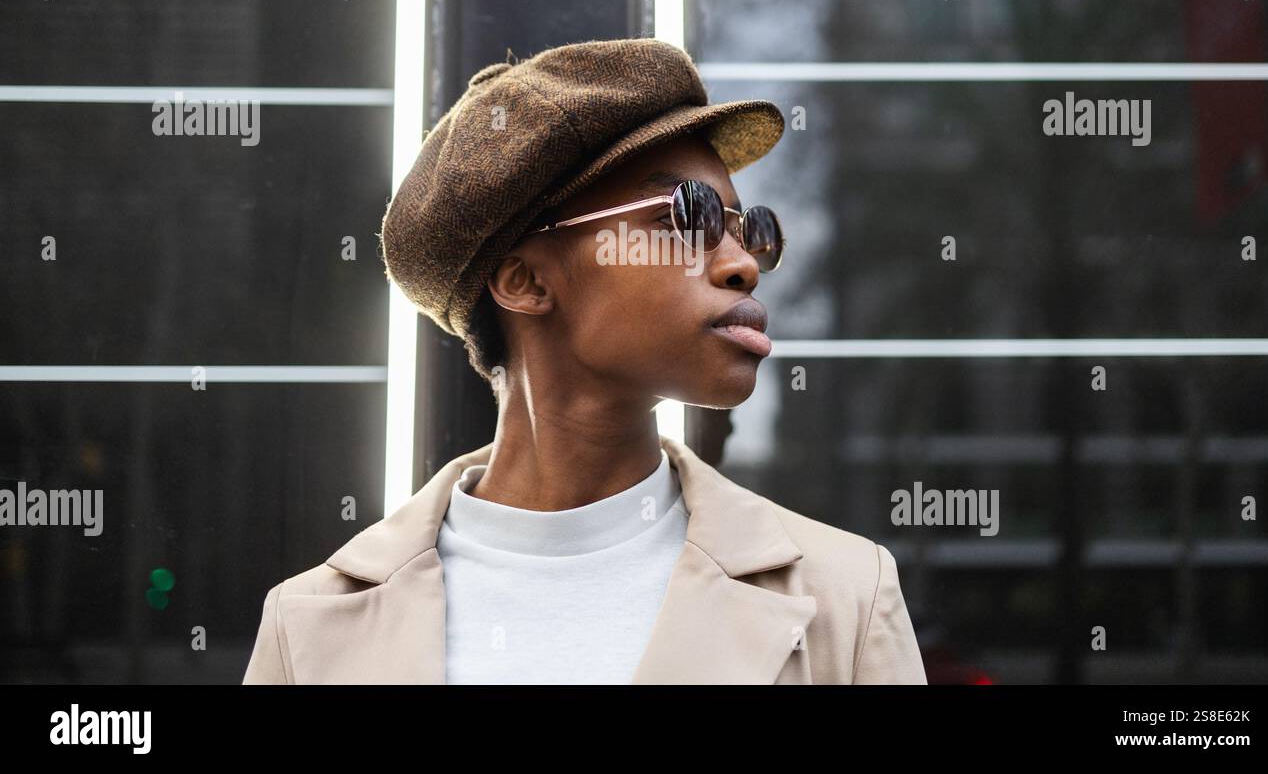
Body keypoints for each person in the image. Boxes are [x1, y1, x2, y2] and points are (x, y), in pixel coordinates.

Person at [242, 37, 926, 684]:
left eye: (753, 231)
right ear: (526, 282)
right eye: (688, 218)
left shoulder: (849, 597)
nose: (744, 264)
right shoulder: (309, 629)